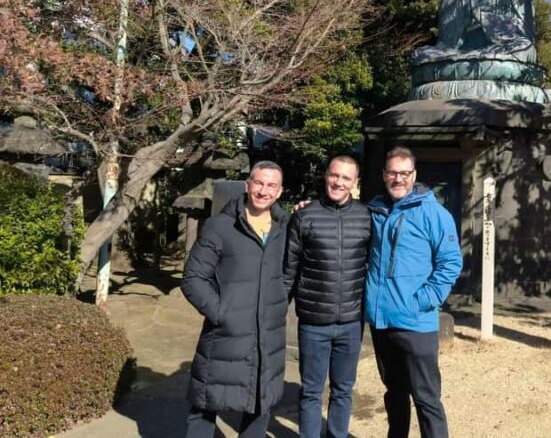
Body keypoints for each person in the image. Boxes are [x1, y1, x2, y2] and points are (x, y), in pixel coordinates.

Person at [182, 160, 288, 438]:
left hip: (267, 335)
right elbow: (193, 277)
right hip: (225, 334)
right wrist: (221, 313)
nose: (263, 191)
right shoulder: (220, 226)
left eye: (271, 185)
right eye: (259, 183)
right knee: (206, 402)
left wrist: (276, 304)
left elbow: (289, 274)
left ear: (279, 192)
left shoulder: (285, 228)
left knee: (259, 403)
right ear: (247, 185)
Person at [364, 146, 463, 438]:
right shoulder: (375, 210)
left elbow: (450, 262)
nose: (398, 179)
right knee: (394, 393)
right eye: (393, 173)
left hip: (416, 322)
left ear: (414, 175)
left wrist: (424, 300)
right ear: (384, 174)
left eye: (404, 173)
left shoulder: (434, 213)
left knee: (426, 398)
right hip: (382, 321)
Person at [284, 155, 372, 438]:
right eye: (335, 175)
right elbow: (289, 269)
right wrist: (275, 311)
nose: (339, 182)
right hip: (313, 322)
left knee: (343, 390)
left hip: (351, 321)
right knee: (311, 391)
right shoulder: (304, 216)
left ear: (355, 182)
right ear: (326, 176)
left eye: (346, 178)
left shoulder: (366, 217)